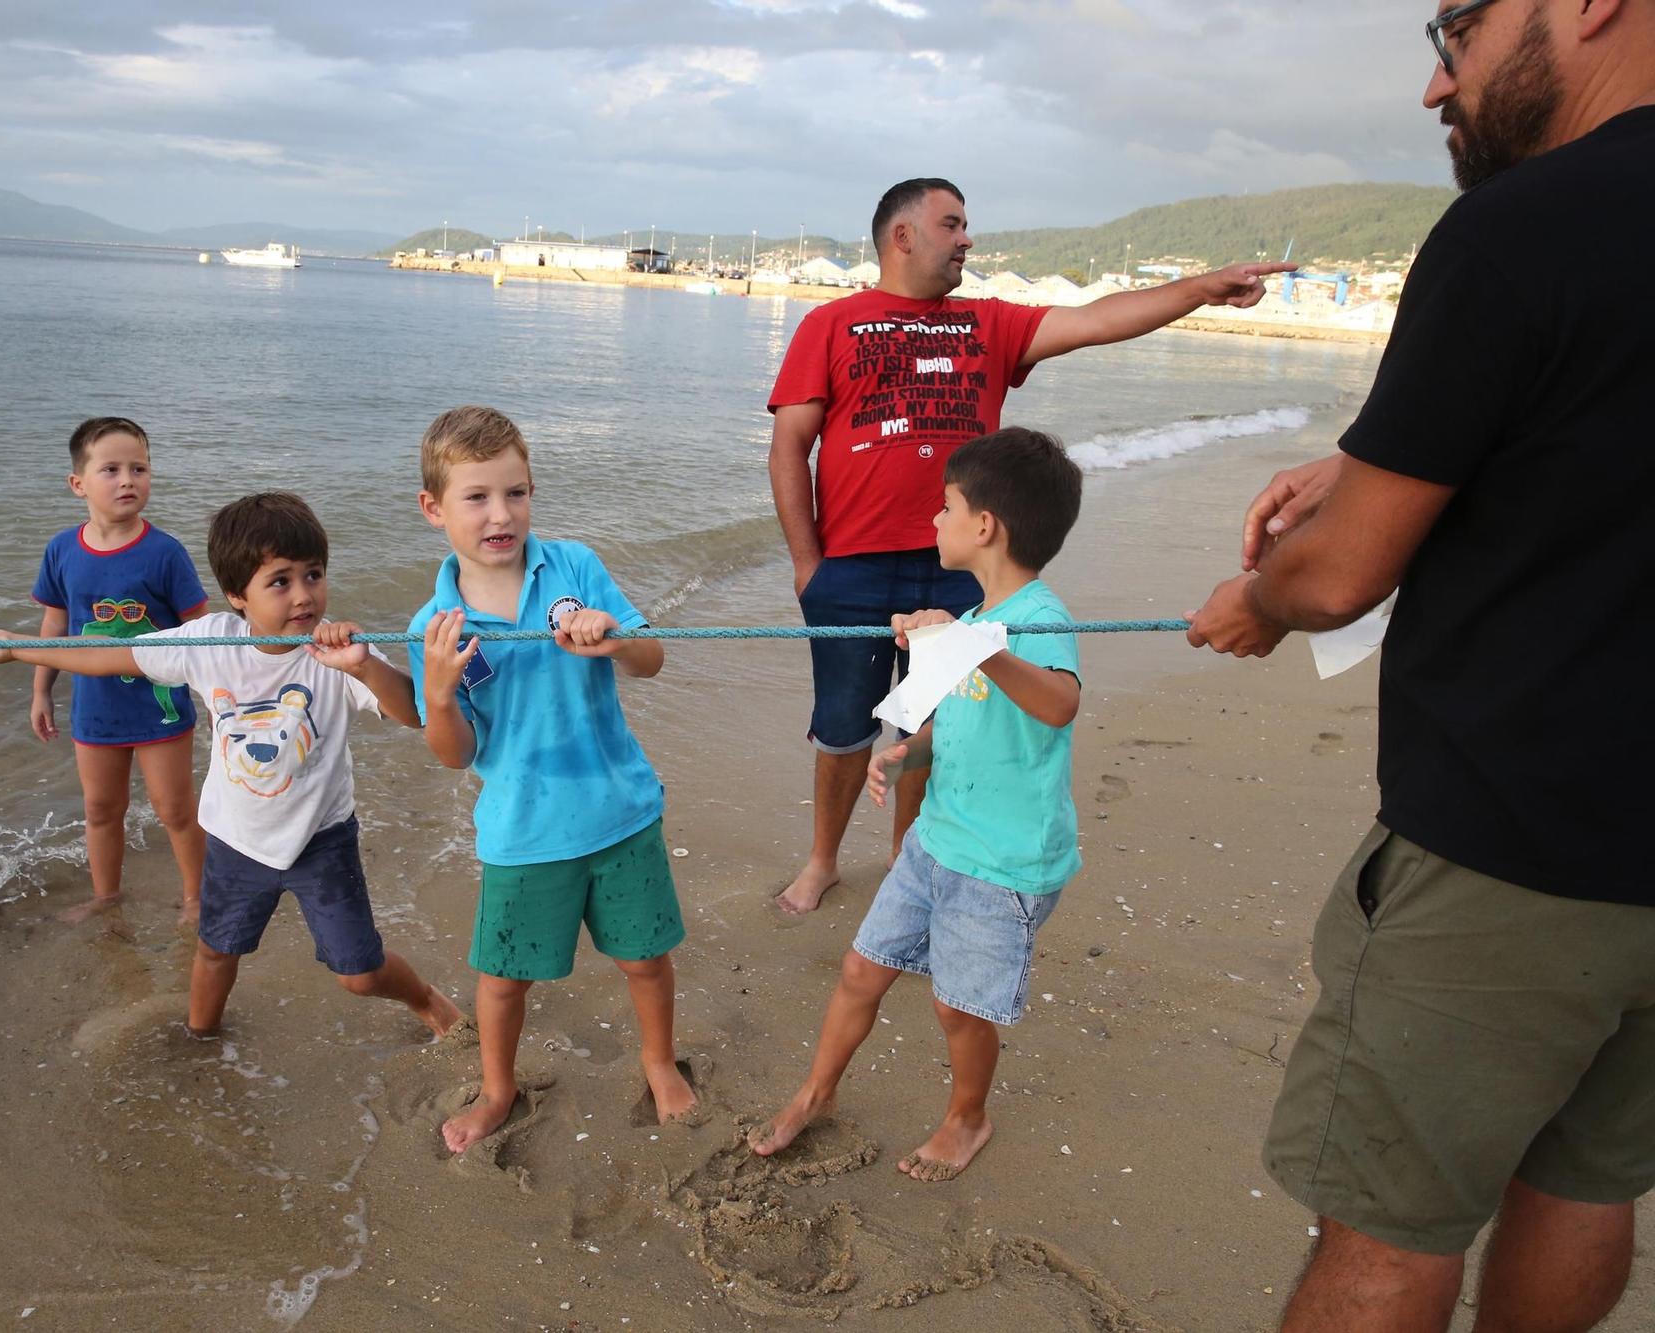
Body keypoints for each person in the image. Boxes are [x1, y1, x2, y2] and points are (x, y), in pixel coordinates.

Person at [1186, 3, 1655, 1328]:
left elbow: (1337, 576)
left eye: (1458, 27)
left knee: (1390, 1226)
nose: (1436, 84)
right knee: (1584, 1182)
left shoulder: (1525, 225)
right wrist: (1368, 458)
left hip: (1513, 845)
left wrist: (1259, 602)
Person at [768, 177, 1293, 914]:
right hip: (851, 568)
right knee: (842, 726)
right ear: (902, 236)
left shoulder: (989, 322)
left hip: (963, 567)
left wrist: (1202, 289)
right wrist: (807, 565)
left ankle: (905, 860)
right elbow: (789, 446)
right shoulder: (831, 324)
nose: (967, 239)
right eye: (952, 224)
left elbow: (1098, 319)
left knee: (933, 721)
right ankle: (823, 859)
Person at [0, 492, 463, 1043]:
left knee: (360, 974)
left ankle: (427, 1001)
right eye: (280, 581)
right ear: (237, 596)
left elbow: (412, 713)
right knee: (214, 951)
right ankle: (200, 1039)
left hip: (322, 841)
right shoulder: (209, 642)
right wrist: (18, 647)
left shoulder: (338, 654)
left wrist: (363, 666)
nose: (303, 595)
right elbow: (106, 655)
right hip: (234, 840)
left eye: (313, 574)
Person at [753, 428, 1083, 1181]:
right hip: (936, 840)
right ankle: (816, 1093)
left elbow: (1059, 703)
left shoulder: (1040, 617)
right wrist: (909, 751)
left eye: (945, 507)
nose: (934, 520)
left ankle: (968, 1118)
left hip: (1002, 863)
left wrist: (978, 648)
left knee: (957, 1008)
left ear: (984, 526)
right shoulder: (974, 618)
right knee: (860, 971)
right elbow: (964, 715)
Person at [407, 406, 693, 1154]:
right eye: (477, 497)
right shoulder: (433, 627)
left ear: (532, 491)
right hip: (524, 830)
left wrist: (614, 639)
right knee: (503, 979)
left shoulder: (574, 567)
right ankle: (498, 1087)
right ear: (434, 508)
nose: (500, 514)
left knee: (644, 959)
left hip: (620, 811)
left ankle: (659, 1060)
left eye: (516, 492)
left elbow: (652, 660)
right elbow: (454, 753)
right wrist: (439, 692)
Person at [29, 416, 210, 926]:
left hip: (160, 707)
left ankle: (196, 898)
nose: (127, 480)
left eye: (139, 468)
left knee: (175, 810)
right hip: (95, 710)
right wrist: (41, 692)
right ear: (78, 483)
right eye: (110, 469)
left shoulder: (165, 552)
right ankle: (106, 896)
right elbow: (54, 627)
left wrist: (221, 697)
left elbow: (202, 633)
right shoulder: (62, 550)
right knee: (101, 810)